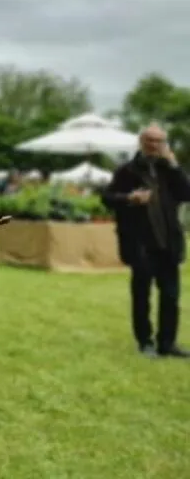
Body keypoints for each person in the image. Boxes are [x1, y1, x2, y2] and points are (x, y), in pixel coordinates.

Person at [102, 123, 190, 358]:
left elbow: (186, 193)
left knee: (171, 297)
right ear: (141, 142)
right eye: (149, 140)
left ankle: (167, 343)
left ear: (165, 144)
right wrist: (129, 197)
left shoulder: (169, 170)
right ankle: (145, 342)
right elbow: (108, 198)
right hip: (141, 244)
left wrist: (174, 165)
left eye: (159, 141)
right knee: (142, 296)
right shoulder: (127, 171)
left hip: (168, 242)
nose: (154, 145)